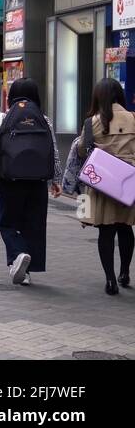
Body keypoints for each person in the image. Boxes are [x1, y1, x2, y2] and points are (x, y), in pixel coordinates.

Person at [0, 78, 62, 287]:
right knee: (34, 224)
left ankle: (17, 254)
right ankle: (26, 271)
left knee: (7, 222)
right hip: (38, 180)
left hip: (10, 179)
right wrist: (55, 179)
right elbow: (53, 151)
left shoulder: (0, 118)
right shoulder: (44, 119)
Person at [77, 78, 134, 295]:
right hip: (129, 182)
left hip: (103, 184)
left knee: (106, 231)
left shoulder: (92, 122)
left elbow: (83, 150)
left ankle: (110, 280)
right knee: (126, 227)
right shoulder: (133, 119)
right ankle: (125, 272)